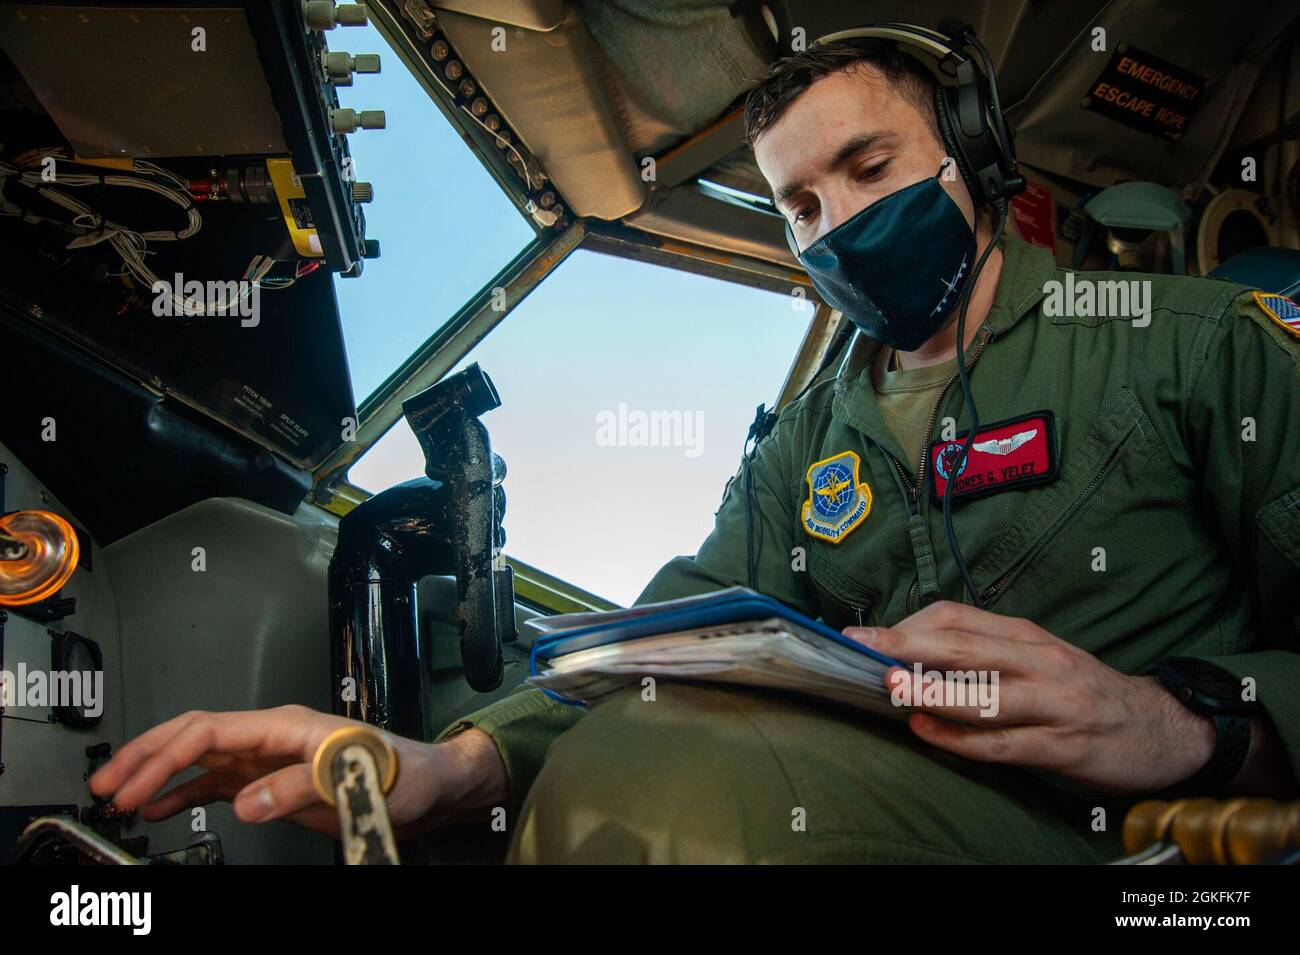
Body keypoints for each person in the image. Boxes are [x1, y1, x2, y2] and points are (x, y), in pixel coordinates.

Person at [91, 36, 1300, 864]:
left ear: (973, 161)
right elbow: (660, 645)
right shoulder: (802, 448)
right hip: (907, 809)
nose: (836, 224)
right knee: (639, 748)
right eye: (802, 208)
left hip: (1154, 834)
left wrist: (1184, 724)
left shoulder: (1187, 347)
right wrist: (447, 769)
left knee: (664, 793)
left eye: (869, 170)